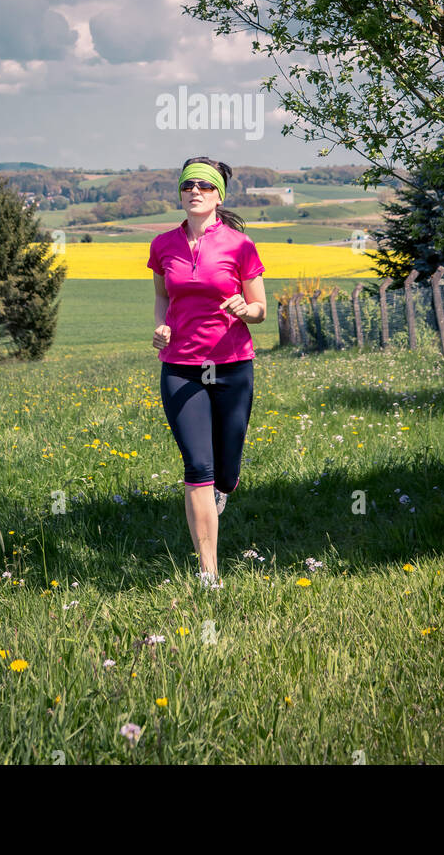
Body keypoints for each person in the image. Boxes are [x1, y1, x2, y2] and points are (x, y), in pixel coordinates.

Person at [147, 157, 266, 589]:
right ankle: (209, 574)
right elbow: (163, 296)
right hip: (181, 367)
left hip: (232, 364)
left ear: (219, 194)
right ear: (180, 193)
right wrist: (161, 325)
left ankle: (223, 487)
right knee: (198, 465)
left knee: (226, 470)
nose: (194, 191)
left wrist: (245, 309)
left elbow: (261, 309)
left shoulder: (239, 245)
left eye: (203, 186)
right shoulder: (162, 245)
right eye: (187, 185)